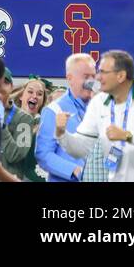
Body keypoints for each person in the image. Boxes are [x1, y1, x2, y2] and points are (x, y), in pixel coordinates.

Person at [57, 49, 134, 181]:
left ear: (121, 76)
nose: (97, 77)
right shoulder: (98, 102)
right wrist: (62, 134)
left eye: (103, 72)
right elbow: (80, 148)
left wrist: (127, 135)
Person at [36, 53, 98, 182]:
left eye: (93, 76)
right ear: (70, 78)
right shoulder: (54, 110)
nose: (91, 82)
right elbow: (43, 154)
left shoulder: (103, 109)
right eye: (86, 76)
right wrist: (74, 170)